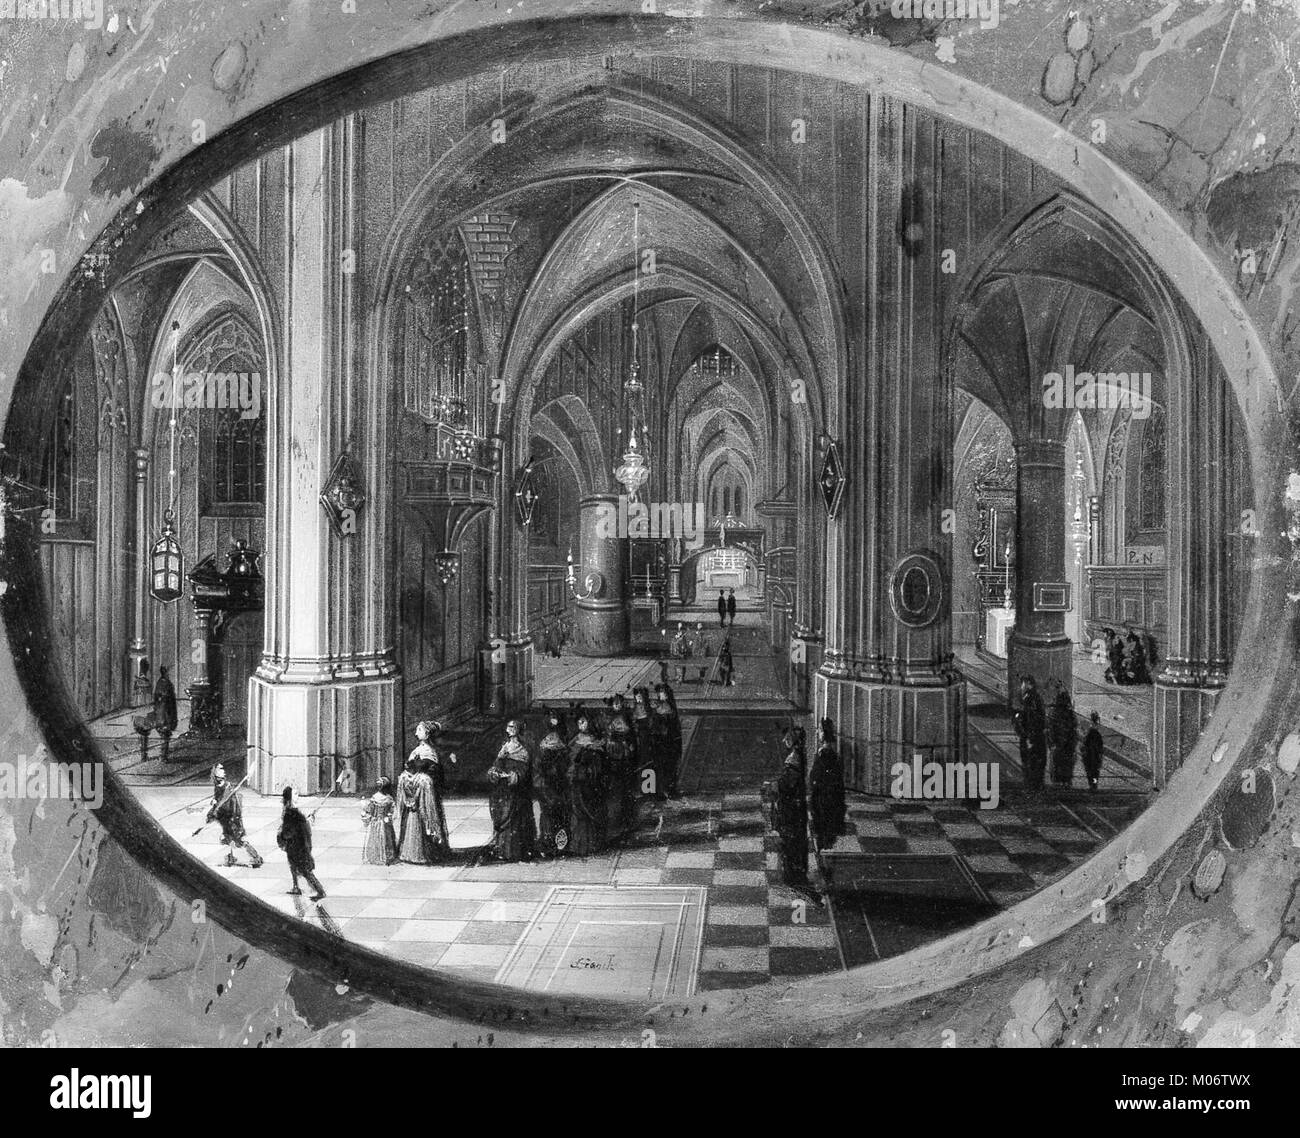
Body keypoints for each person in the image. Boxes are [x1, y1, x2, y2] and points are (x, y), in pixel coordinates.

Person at [487, 719, 536, 861]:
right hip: (503, 789)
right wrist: (494, 772)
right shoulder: (504, 747)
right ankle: (502, 850)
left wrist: (515, 776)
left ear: (518, 729)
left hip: (517, 790)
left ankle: (516, 852)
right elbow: (497, 765)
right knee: (503, 816)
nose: (511, 729)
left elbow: (525, 771)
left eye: (513, 726)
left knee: (516, 819)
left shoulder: (523, 749)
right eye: (509, 726)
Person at [770, 739, 811, 889]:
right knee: (793, 844)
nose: (783, 741)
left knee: (790, 845)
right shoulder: (796, 759)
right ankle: (794, 874)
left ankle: (792, 877)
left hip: (790, 814)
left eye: (787, 738)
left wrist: (774, 787)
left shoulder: (793, 764)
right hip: (793, 813)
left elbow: (785, 785)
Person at [207, 762, 263, 868]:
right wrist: (214, 802)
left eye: (222, 769)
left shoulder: (227, 786)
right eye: (219, 769)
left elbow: (229, 802)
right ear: (215, 772)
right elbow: (218, 798)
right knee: (229, 839)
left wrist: (219, 807)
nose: (222, 771)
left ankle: (256, 857)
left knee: (238, 840)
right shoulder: (218, 786)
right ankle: (231, 857)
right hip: (225, 818)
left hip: (231, 817)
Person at [567, 711, 607, 856]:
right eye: (579, 722)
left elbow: (599, 765)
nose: (581, 725)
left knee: (589, 811)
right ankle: (577, 846)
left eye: (584, 722)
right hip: (576, 782)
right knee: (577, 813)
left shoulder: (595, 741)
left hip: (589, 783)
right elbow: (569, 760)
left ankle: (592, 845)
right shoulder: (574, 741)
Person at [277, 785, 326, 900]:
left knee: (304, 869)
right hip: (294, 844)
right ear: (289, 797)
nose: (297, 796)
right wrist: (306, 822)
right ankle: (296, 887)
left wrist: (306, 821)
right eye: (295, 794)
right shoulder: (290, 812)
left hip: (298, 845)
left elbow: (297, 827)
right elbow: (293, 828)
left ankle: (320, 891)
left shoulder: (292, 812)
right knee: (293, 866)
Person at [413, 719, 454, 857]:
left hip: (427, 792)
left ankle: (430, 851)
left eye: (419, 730)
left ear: (428, 733)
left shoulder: (429, 752)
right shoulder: (419, 750)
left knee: (428, 818)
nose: (416, 733)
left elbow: (435, 775)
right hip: (418, 790)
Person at [536, 710, 570, 856]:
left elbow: (565, 762)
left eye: (555, 718)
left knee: (560, 813)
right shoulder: (544, 741)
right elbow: (540, 763)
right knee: (547, 813)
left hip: (559, 782)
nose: (553, 721)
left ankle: (560, 845)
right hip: (547, 783)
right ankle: (547, 843)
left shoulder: (563, 739)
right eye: (552, 718)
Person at [808, 718, 846, 852]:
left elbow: (820, 776)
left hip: (825, 797)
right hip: (826, 795)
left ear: (824, 733)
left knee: (824, 829)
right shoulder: (827, 751)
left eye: (819, 729)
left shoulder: (826, 753)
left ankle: (825, 857)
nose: (817, 731)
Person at [395, 753, 438, 864]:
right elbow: (427, 801)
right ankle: (419, 854)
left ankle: (406, 853)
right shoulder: (424, 779)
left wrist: (406, 804)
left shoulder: (403, 778)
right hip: (419, 810)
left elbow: (400, 797)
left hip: (408, 810)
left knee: (408, 830)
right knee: (419, 831)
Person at [605, 693, 638, 835]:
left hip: (625, 756)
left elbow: (631, 734)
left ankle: (628, 820)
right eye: (615, 703)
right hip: (615, 755)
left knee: (627, 790)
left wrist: (629, 745)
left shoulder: (626, 717)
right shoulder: (610, 718)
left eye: (619, 703)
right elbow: (609, 735)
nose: (617, 705)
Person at [1013, 675, 1047, 790]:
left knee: (1031, 762)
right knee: (1033, 762)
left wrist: (1029, 736)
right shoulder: (1032, 697)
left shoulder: (1031, 698)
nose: (1021, 686)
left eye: (1023, 684)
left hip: (1031, 737)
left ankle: (1033, 786)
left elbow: (1033, 718)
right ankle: (1034, 785)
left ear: (1028, 684)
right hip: (1032, 736)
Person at [650, 684, 682, 799]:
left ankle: (670, 790)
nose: (661, 695)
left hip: (669, 741)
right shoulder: (658, 707)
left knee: (671, 767)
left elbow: (674, 725)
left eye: (663, 693)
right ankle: (662, 791)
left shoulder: (669, 706)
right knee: (661, 767)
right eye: (660, 693)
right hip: (661, 742)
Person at [361, 776, 398, 866]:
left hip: (381, 822)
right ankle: (378, 857)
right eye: (378, 785)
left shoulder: (386, 798)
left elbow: (391, 810)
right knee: (379, 838)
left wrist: (388, 817)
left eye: (380, 786)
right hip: (379, 822)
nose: (379, 787)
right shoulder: (379, 797)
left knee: (385, 838)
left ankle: (384, 857)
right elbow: (370, 809)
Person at [1047, 686, 1078, 787]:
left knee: (1057, 764)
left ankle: (1058, 782)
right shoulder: (1071, 715)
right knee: (1067, 765)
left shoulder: (1054, 714)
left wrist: (1051, 743)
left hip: (1058, 746)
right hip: (1068, 746)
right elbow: (1074, 731)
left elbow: (1051, 731)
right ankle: (1066, 782)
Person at [153, 665, 178, 762]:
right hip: (165, 712)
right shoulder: (165, 683)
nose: (169, 674)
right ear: (165, 673)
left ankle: (163, 755)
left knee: (165, 734)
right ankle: (163, 756)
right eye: (168, 672)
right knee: (165, 734)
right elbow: (167, 699)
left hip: (162, 712)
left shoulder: (160, 682)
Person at [1082, 710, 1105, 792]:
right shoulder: (1097, 730)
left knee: (1090, 771)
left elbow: (1085, 742)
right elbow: (1100, 744)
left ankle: (1092, 785)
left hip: (1090, 754)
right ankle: (1094, 785)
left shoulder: (1090, 729)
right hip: (1095, 754)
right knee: (1095, 772)